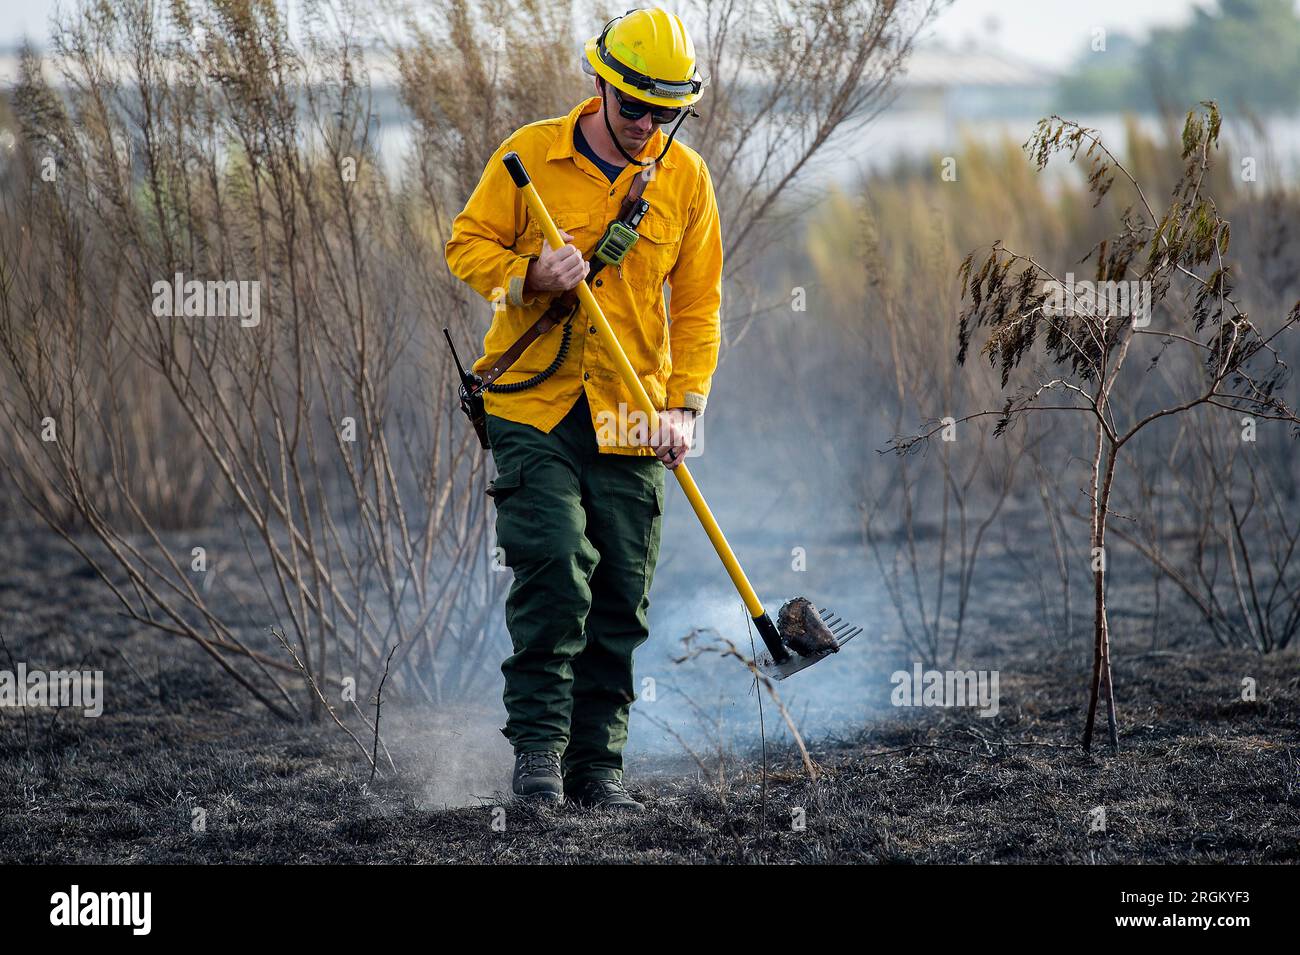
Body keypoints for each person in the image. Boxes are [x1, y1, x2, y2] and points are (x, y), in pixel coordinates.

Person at [444, 7, 722, 811]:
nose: (646, 125)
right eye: (633, 106)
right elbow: (466, 246)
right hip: (532, 403)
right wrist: (529, 273)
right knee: (557, 567)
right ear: (599, 85)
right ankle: (537, 756)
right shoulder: (529, 155)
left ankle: (597, 769)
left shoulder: (687, 181)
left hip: (636, 409)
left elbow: (699, 307)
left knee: (619, 597)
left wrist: (686, 410)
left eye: (665, 112)